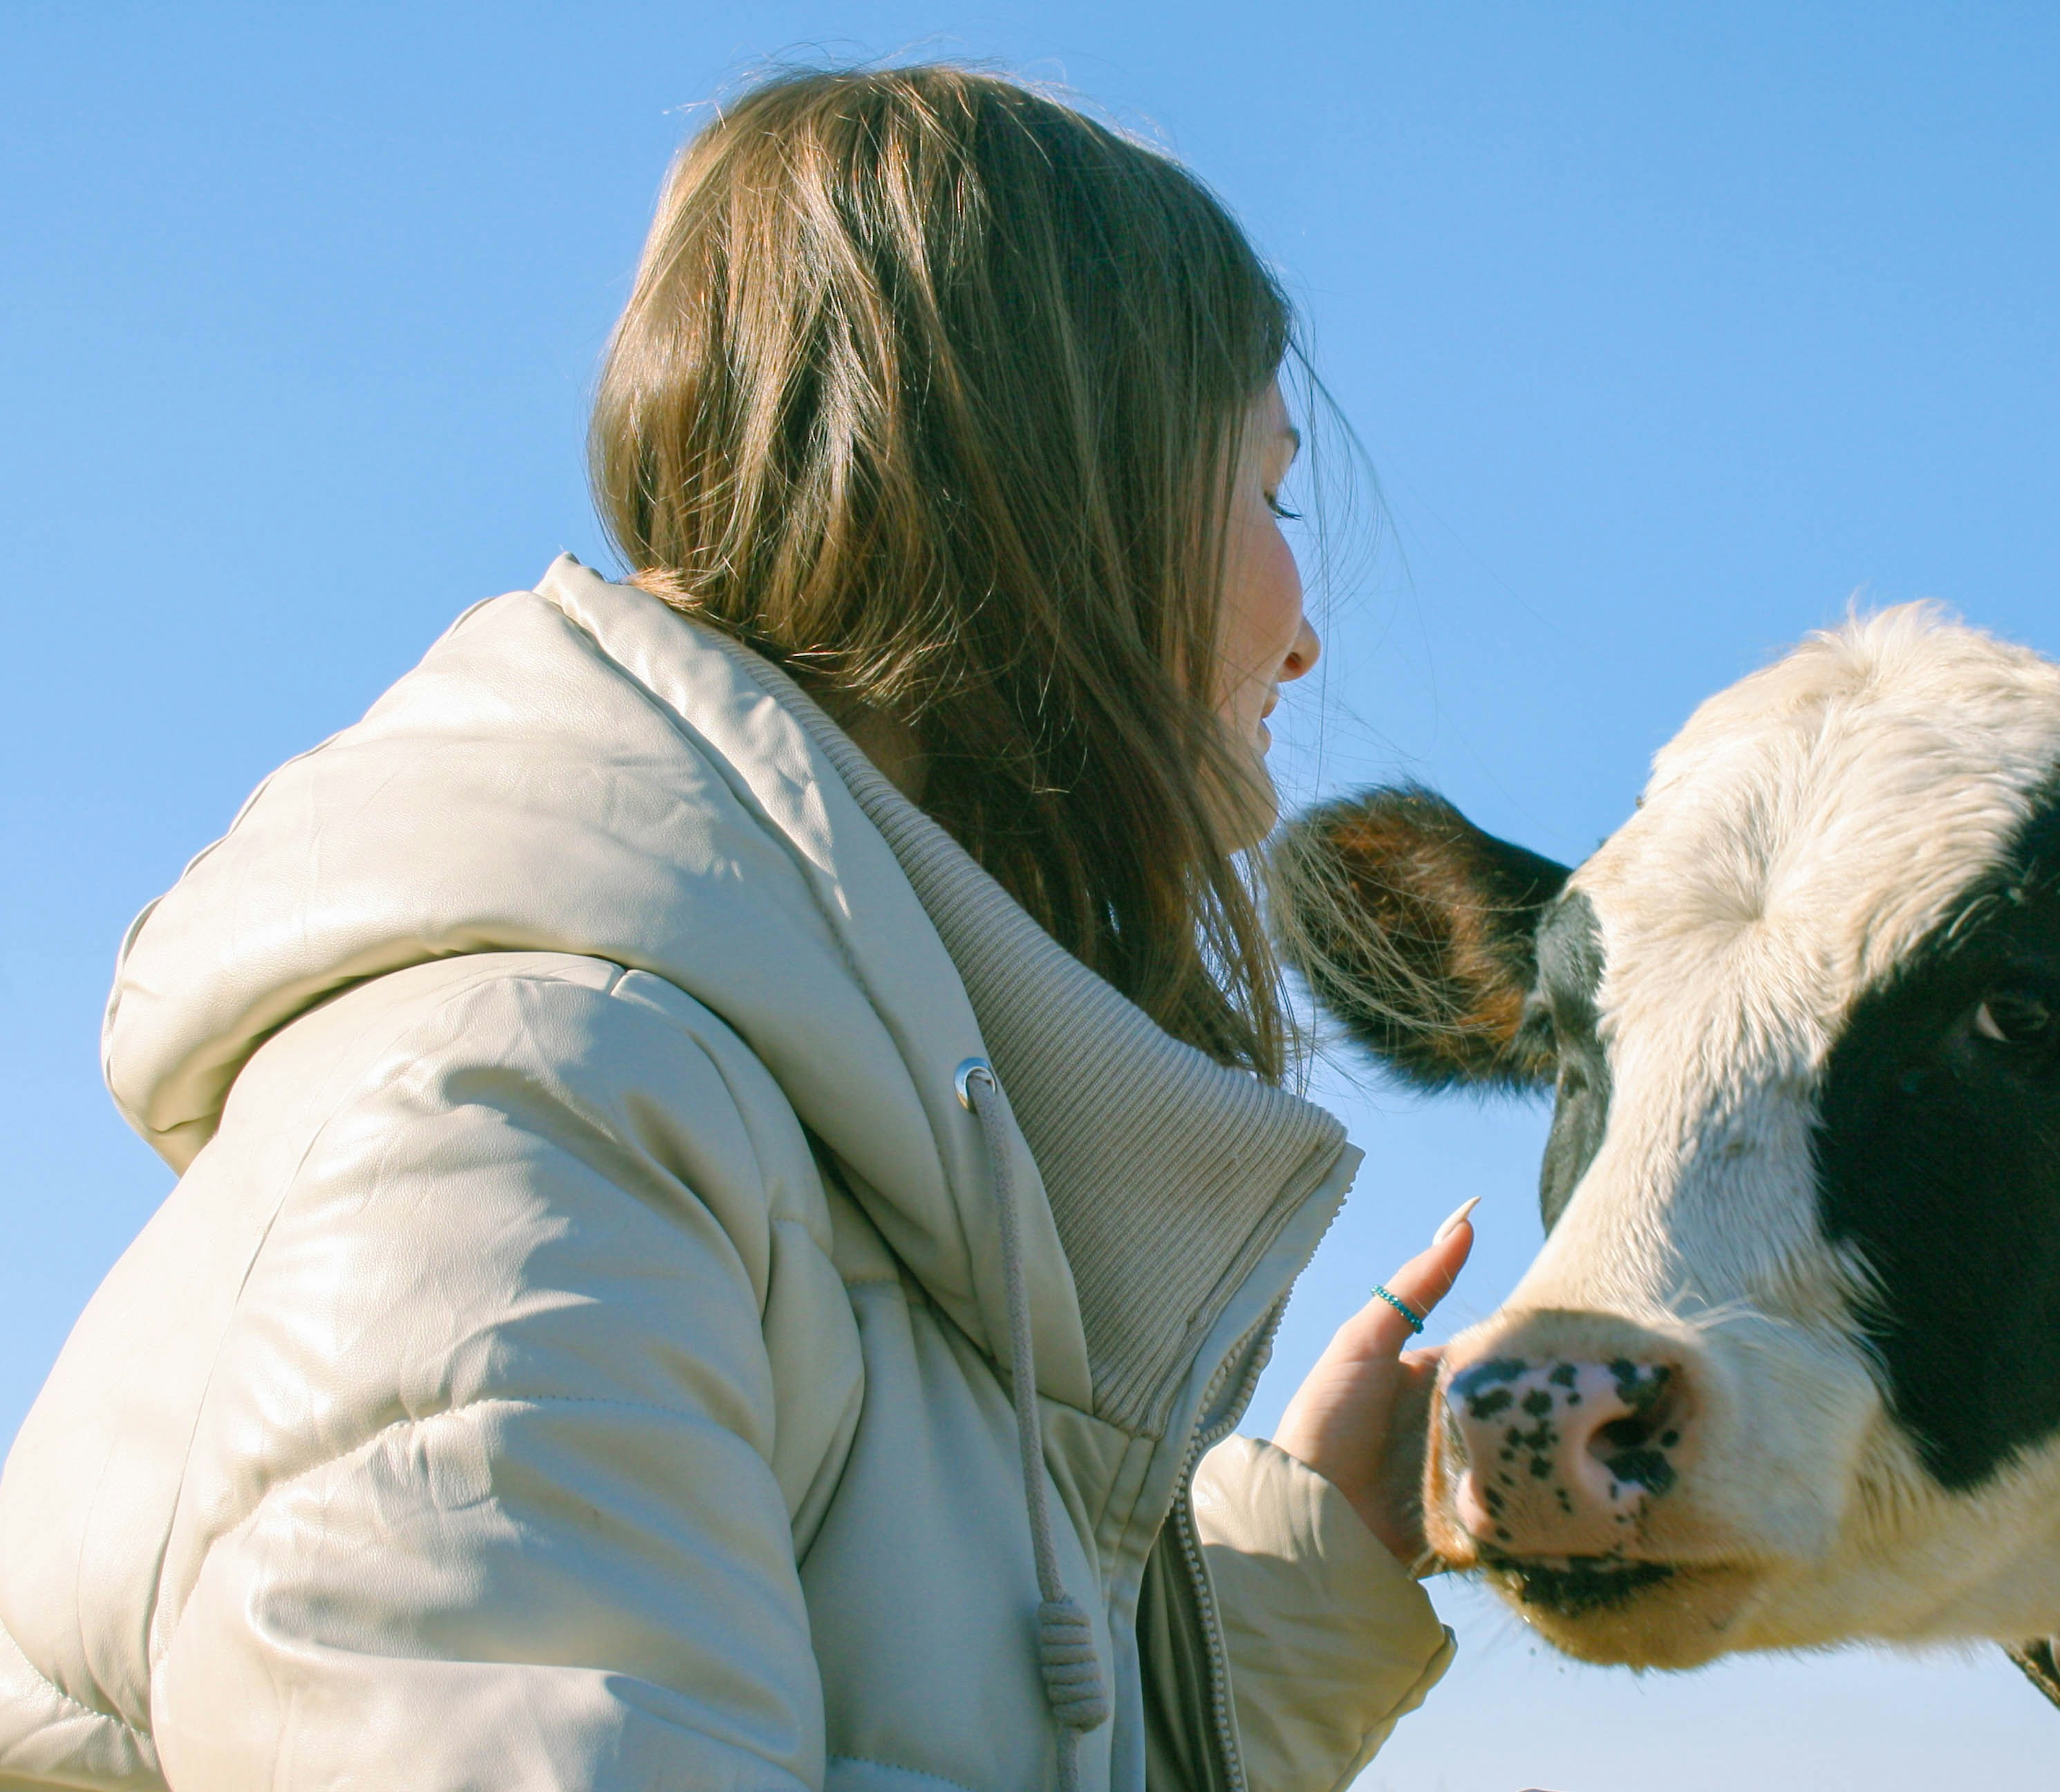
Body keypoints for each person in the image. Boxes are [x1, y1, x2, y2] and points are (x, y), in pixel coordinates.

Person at [0, 64, 1475, 1792]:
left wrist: (1316, 1563)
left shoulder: (775, 1121)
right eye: (1271, 495)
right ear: (1059, 493)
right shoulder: (538, 1116)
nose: (1302, 638)